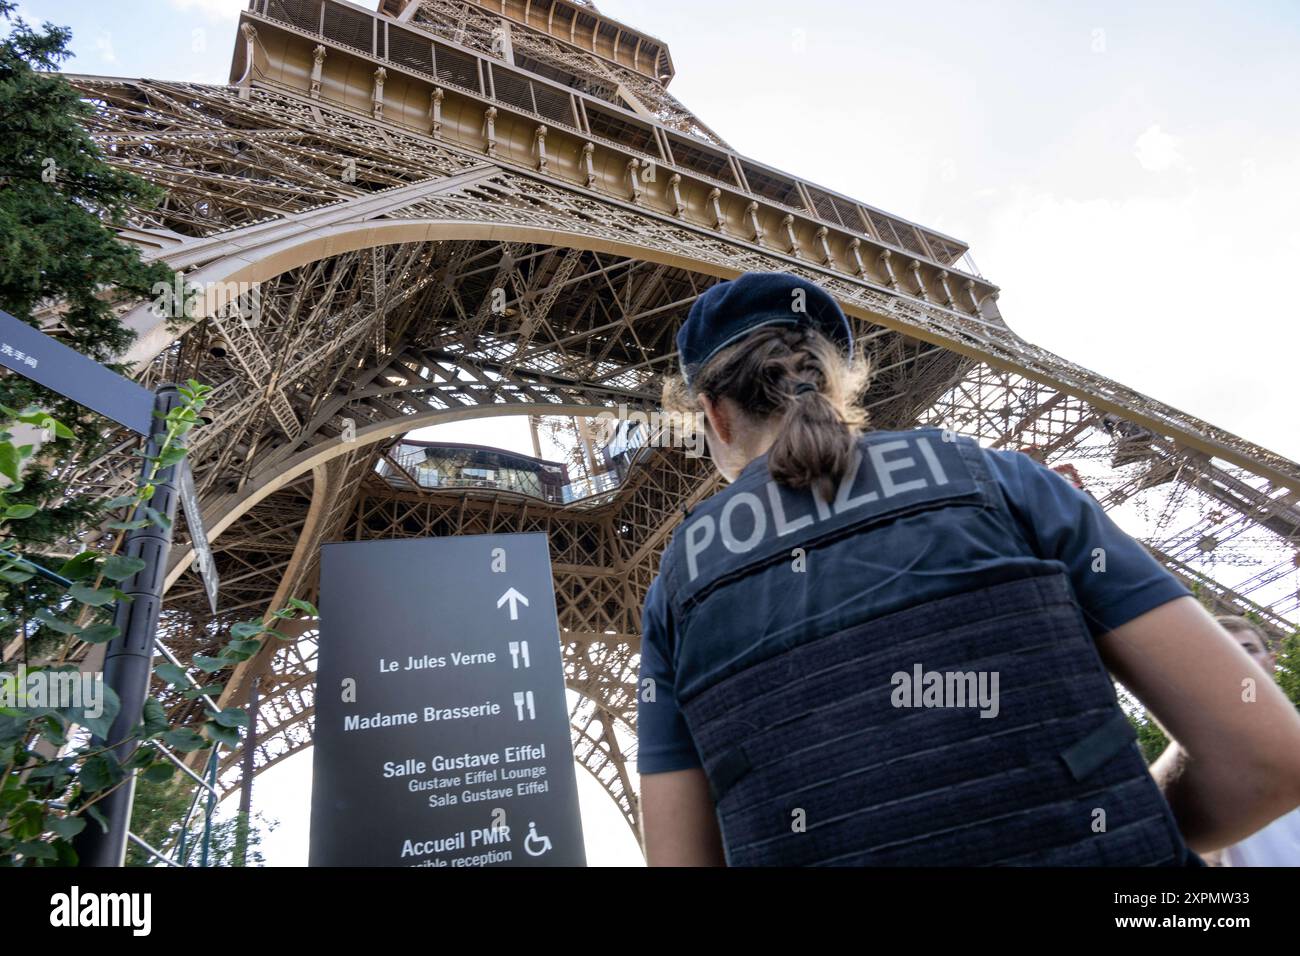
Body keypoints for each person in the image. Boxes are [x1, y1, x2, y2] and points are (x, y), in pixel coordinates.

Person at [635, 271, 1300, 866]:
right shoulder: (1003, 478)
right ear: (837, 383)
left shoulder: (676, 589)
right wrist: (1122, 829)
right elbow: (1270, 761)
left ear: (714, 415)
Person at [1203, 616, 1300, 866]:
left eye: (1248, 650)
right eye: (1223, 653)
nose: (1238, 661)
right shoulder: (1195, 764)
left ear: (1272, 662)